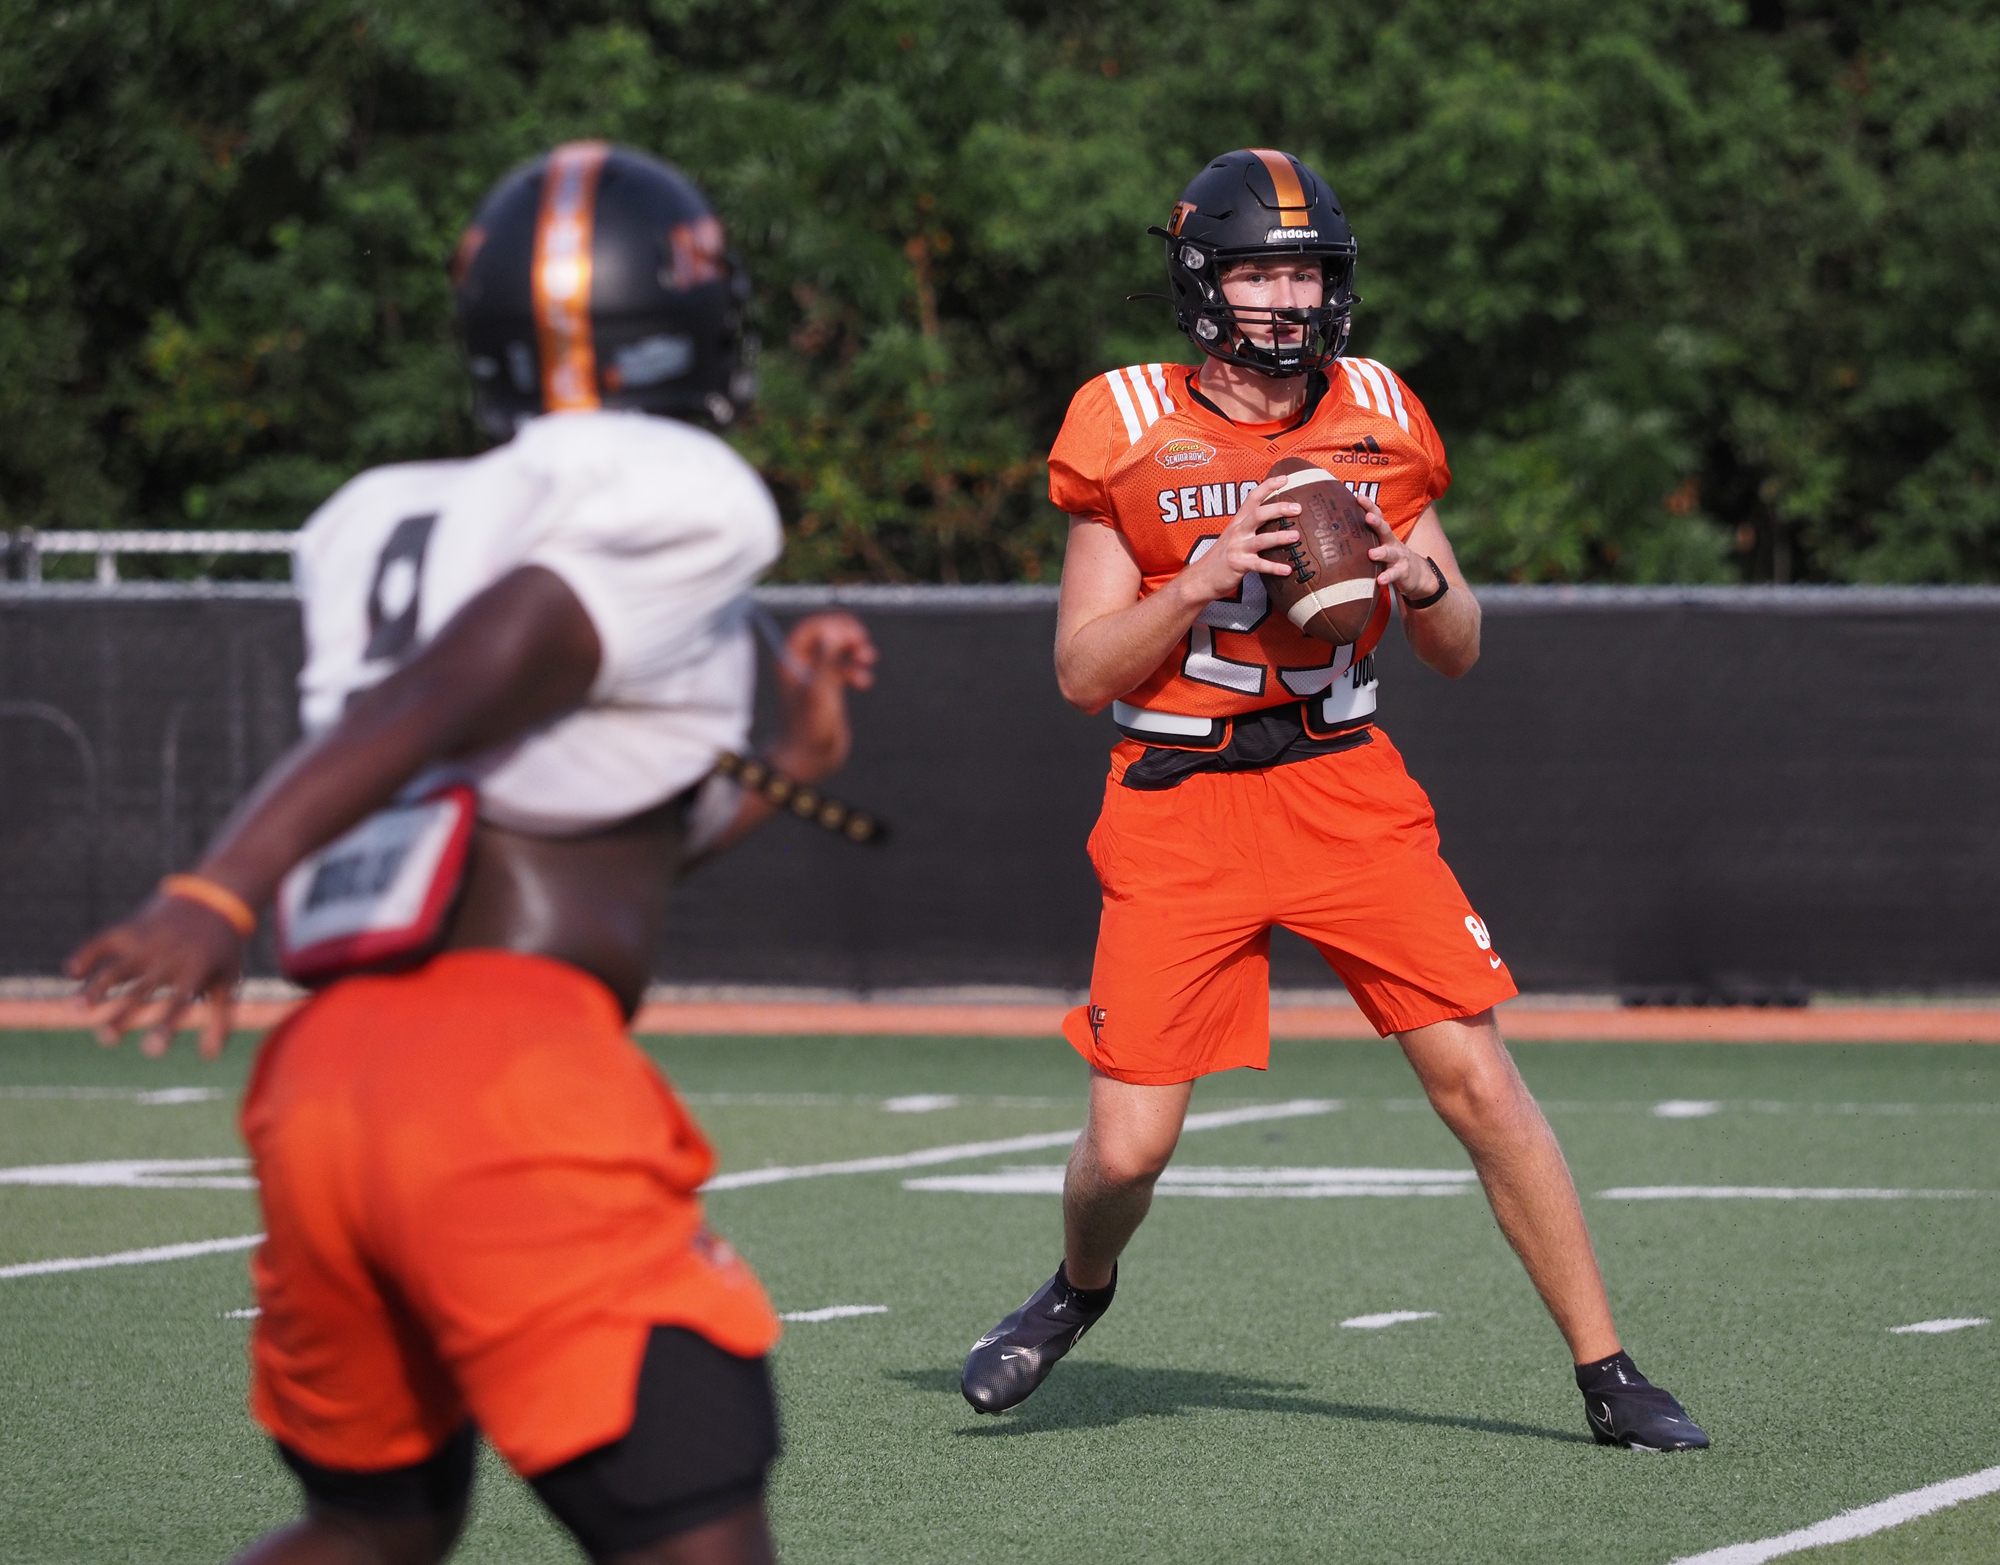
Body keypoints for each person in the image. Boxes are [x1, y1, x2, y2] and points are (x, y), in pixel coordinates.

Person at [68, 142, 879, 1565]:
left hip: (331, 1081)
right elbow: (458, 684)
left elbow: (539, 833)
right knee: (695, 1523)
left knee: (371, 1528)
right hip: (506, 1082)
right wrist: (214, 886)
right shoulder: (681, 490)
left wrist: (793, 769)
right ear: (685, 319)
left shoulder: (378, 512)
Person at [959, 148, 1707, 1452]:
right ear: (1203, 278)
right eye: (1259, 268)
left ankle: (1609, 1369)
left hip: (1342, 783)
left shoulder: (1378, 411)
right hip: (1177, 795)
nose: (1288, 298)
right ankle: (1080, 1285)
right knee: (1128, 1149)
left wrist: (1424, 585)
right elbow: (1082, 669)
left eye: (1305, 272)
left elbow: (1460, 646)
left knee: (1475, 1076)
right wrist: (1196, 580)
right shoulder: (1124, 421)